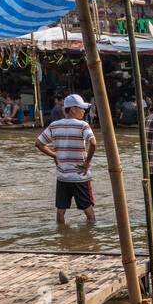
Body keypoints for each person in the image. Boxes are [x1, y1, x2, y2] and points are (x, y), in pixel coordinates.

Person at [35, 93, 97, 225]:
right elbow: (93, 143)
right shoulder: (83, 125)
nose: (84, 111)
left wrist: (54, 155)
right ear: (73, 109)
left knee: (61, 210)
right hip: (80, 176)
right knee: (89, 212)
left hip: (62, 176)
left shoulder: (54, 125)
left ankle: (62, 237)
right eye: (81, 108)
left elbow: (39, 143)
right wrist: (87, 162)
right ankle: (91, 238)